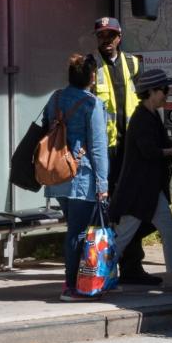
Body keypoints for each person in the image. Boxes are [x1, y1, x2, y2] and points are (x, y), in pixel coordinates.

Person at [109, 67, 172, 289]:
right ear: (151, 91)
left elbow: (160, 143)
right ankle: (95, 274)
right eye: (164, 90)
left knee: (168, 230)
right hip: (137, 192)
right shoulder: (141, 119)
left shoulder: (152, 115)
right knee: (122, 238)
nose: (167, 94)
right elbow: (149, 151)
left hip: (149, 190)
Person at [90, 16, 156, 285]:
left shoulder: (133, 64)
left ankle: (132, 266)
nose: (106, 40)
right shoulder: (90, 65)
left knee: (132, 206)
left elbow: (146, 104)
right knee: (105, 208)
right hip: (104, 150)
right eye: (101, 35)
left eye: (110, 35)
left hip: (131, 148)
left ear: (119, 37)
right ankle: (104, 269)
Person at [43, 54, 109, 302]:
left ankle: (81, 281)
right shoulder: (92, 104)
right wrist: (103, 184)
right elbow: (98, 148)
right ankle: (71, 286)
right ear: (91, 77)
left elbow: (46, 127)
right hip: (82, 176)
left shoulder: (55, 98)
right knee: (78, 233)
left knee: (74, 228)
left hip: (57, 174)